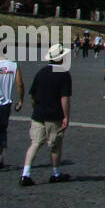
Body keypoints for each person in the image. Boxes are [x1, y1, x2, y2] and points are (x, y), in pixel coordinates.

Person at [19, 43, 72, 186]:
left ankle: (26, 174)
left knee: (35, 143)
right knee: (55, 145)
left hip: (38, 114)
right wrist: (66, 116)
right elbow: (64, 98)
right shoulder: (64, 74)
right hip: (54, 115)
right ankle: (55, 173)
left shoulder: (41, 72)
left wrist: (36, 108)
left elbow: (33, 95)